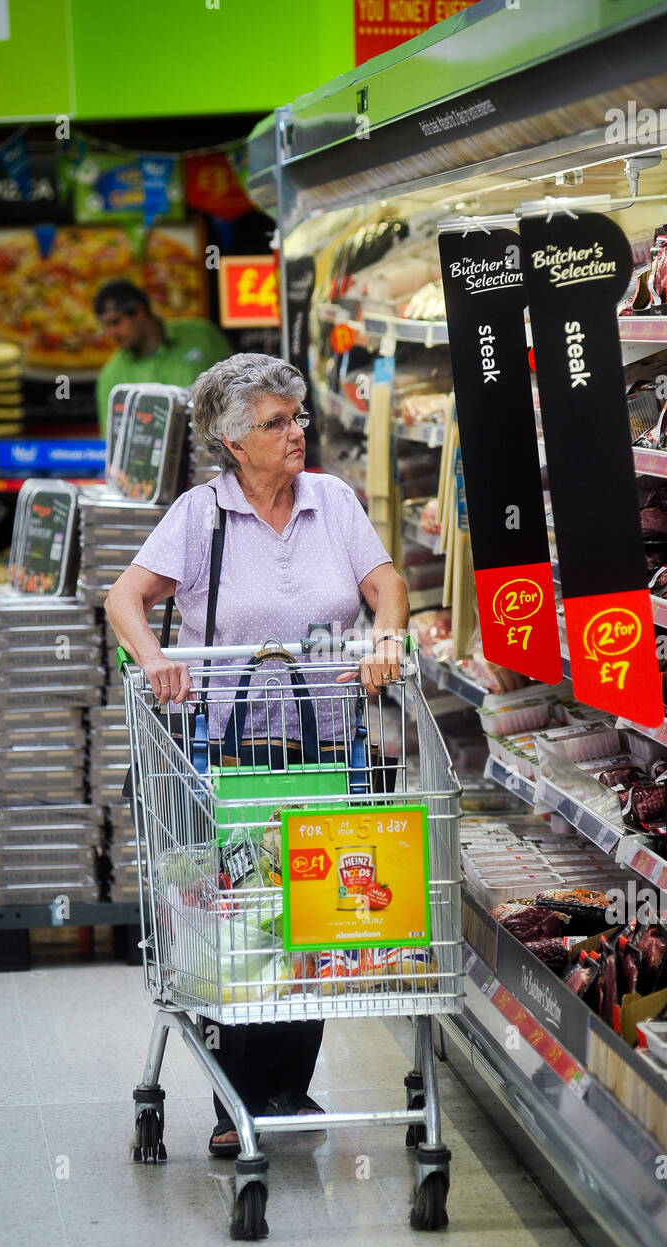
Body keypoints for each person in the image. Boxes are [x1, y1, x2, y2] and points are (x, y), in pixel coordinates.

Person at [104, 353, 409, 1157]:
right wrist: (152, 659)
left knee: (313, 917)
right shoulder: (201, 516)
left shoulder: (333, 502)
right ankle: (236, 1095)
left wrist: (384, 636)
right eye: (276, 423)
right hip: (228, 753)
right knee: (242, 923)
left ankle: (289, 1088)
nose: (296, 432)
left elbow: (385, 584)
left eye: (298, 417)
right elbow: (124, 597)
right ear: (233, 442)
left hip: (327, 744)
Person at [93, 278, 232, 429]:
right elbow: (113, 440)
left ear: (139, 311)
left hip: (219, 443)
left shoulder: (201, 334)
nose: (111, 332)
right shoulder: (110, 375)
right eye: (106, 326)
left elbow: (240, 387)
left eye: (116, 322)